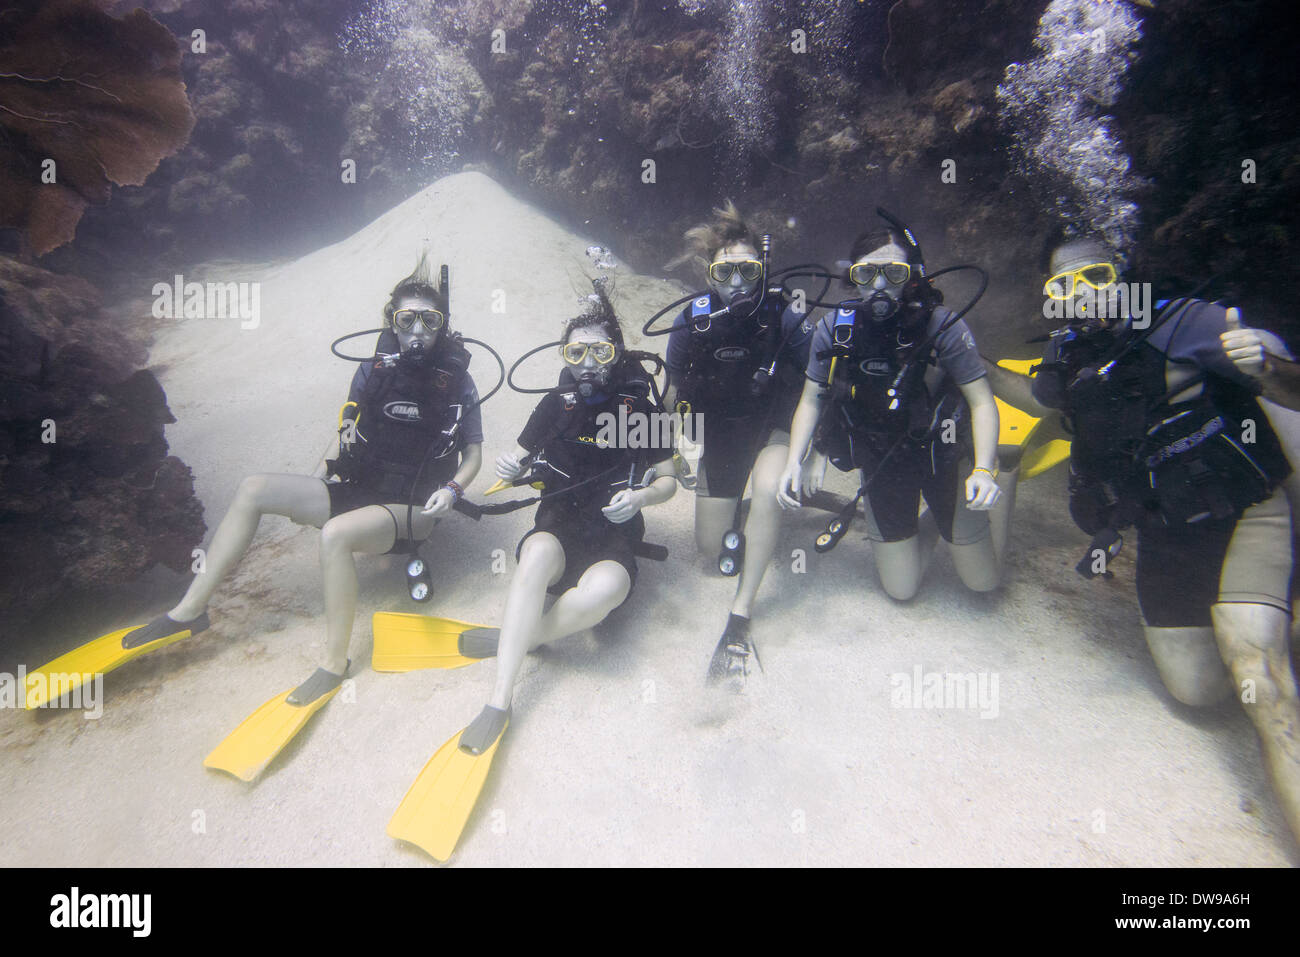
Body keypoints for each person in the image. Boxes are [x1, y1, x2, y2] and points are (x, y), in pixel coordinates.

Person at [26, 254, 484, 759]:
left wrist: (455, 491)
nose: (417, 331)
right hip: (358, 490)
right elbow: (348, 421)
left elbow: (474, 452)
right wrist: (334, 448)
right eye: (406, 319)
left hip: (414, 510)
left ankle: (334, 665)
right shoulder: (372, 372)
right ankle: (188, 612)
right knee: (253, 488)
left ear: (442, 328)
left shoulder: (457, 382)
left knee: (336, 536)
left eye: (429, 320)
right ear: (390, 324)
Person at [999, 234, 1300, 843]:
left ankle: (1275, 613)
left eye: (1097, 278)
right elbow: (1026, 397)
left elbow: (1286, 385)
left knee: (1256, 673)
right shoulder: (1066, 366)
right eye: (1064, 288)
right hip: (1165, 531)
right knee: (1195, 690)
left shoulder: (1187, 324)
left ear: (1125, 276)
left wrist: (1268, 362)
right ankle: (1273, 615)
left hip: (1245, 512)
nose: (1083, 298)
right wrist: (954, 356)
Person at [386, 285, 677, 861]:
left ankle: (517, 638)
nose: (587, 366)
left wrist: (644, 495)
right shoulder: (556, 407)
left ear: (616, 355)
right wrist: (512, 467)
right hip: (560, 524)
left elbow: (669, 480)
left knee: (606, 595)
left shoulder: (641, 410)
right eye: (576, 355)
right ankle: (500, 698)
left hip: (614, 536)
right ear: (563, 358)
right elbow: (517, 465)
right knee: (536, 557)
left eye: (598, 354)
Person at [778, 214, 1012, 600]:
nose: (881, 285)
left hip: (943, 456)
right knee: (901, 591)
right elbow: (812, 397)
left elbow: (982, 401)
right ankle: (938, 524)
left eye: (894, 273)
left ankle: (998, 477)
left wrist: (984, 468)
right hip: (881, 461)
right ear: (852, 277)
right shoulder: (836, 327)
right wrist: (794, 459)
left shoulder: (942, 325)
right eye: (868, 274)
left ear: (913, 276)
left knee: (983, 583)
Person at [660, 201, 817, 683]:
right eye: (725, 271)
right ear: (709, 274)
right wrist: (662, 451)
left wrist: (810, 454)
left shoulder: (786, 315)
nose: (736, 283)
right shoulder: (693, 320)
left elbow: (818, 388)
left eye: (747, 271)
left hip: (773, 430)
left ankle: (741, 611)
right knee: (711, 551)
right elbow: (668, 396)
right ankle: (750, 513)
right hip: (720, 436)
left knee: (768, 488)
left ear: (762, 270)